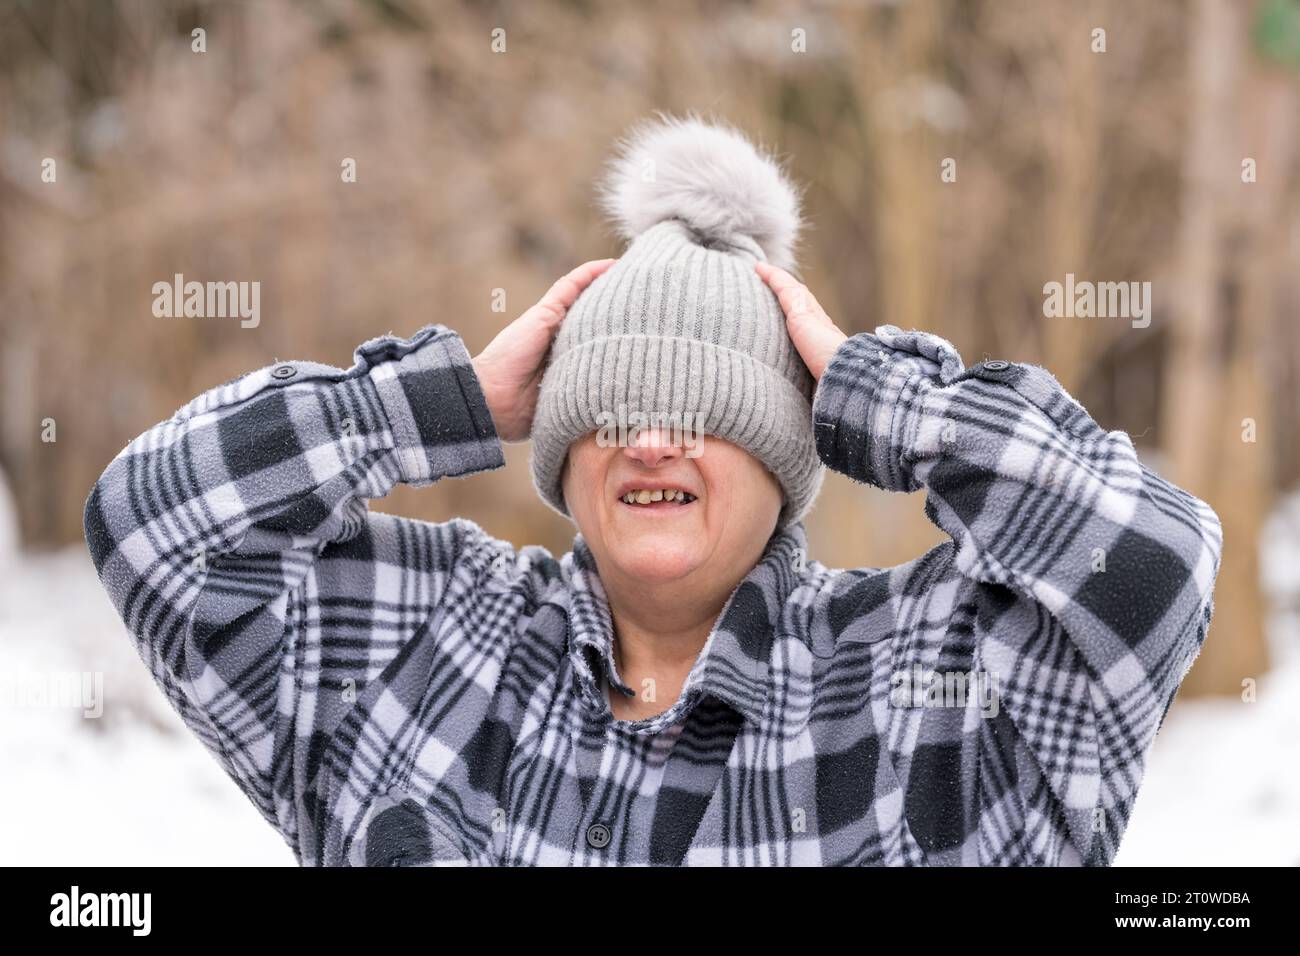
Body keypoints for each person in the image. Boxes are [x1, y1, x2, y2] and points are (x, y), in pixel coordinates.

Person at [83, 114, 1222, 866]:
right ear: (561, 447)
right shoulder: (426, 636)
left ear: (786, 453)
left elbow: (1154, 566)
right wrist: (444, 404)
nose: (653, 439)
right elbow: (154, 524)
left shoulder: (929, 675)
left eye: (712, 413)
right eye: (610, 407)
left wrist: (887, 402)